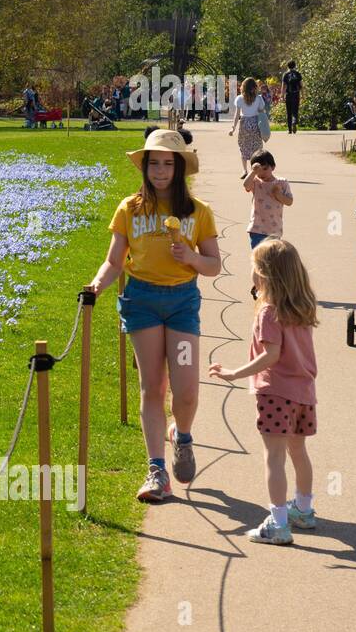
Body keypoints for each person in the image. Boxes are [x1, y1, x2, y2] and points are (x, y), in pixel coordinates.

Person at [88, 129, 222, 502]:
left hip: (182, 303)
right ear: (144, 167)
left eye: (168, 164)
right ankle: (156, 471)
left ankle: (182, 436)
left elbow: (213, 265)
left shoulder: (198, 212)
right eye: (154, 164)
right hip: (142, 301)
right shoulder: (129, 208)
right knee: (153, 388)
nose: (160, 171)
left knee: (187, 390)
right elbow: (114, 261)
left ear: (179, 169)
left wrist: (193, 259)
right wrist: (96, 286)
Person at [208, 239, 318, 545]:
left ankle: (279, 522)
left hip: (276, 392)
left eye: (255, 270)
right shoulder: (303, 306)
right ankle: (304, 509)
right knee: (298, 451)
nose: (252, 276)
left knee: (274, 457)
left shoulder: (268, 312)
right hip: (304, 391)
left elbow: (270, 355)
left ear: (266, 276)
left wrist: (234, 373)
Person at [243, 150, 293, 251]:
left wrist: (279, 195)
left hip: (274, 230)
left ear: (273, 167)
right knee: (259, 258)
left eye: (265, 169)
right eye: (258, 170)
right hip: (257, 228)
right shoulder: (255, 182)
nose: (261, 173)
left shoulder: (282, 183)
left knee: (272, 258)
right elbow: (246, 185)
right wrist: (253, 172)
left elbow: (289, 201)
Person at [228, 76, 266, 180]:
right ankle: (256, 171)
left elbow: (236, 115)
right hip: (255, 124)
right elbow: (262, 112)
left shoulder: (240, 98)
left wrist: (233, 128)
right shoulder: (259, 98)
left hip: (244, 124)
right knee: (257, 149)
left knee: (243, 148)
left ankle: (245, 171)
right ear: (255, 87)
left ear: (243, 87)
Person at [281, 61, 302, 134]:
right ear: (295, 66)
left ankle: (290, 129)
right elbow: (301, 85)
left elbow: (283, 86)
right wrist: (303, 95)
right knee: (295, 111)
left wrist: (282, 96)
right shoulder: (297, 74)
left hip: (288, 95)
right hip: (296, 94)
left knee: (289, 112)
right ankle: (294, 121)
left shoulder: (286, 74)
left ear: (288, 66)